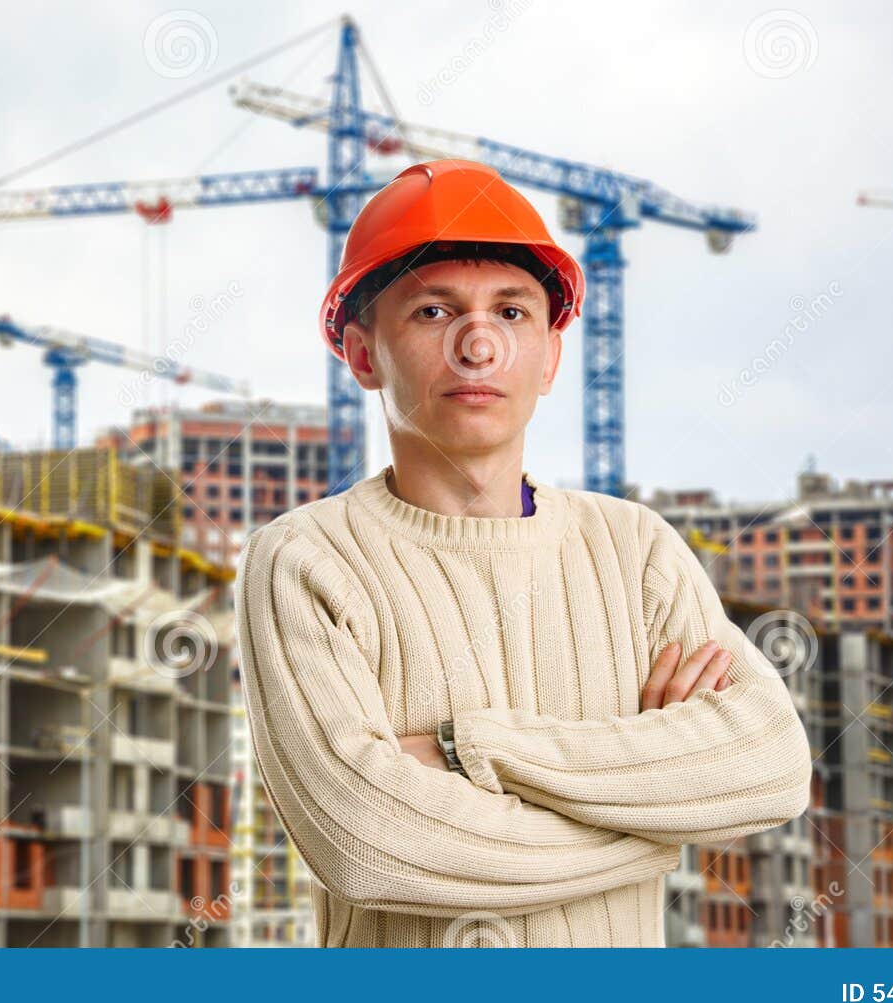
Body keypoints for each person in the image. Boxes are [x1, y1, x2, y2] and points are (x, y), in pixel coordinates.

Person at [235, 159, 812, 948]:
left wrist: (466, 749)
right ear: (363, 356)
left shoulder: (636, 550)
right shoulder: (305, 562)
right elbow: (368, 844)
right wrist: (656, 824)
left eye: (511, 312)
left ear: (550, 357)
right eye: (434, 311)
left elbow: (770, 764)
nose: (478, 345)